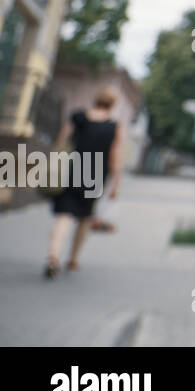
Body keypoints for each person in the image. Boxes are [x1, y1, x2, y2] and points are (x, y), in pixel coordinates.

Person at [45, 87, 123, 278]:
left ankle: (54, 256)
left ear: (96, 100)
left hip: (71, 170)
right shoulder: (114, 126)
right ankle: (72, 259)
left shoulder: (78, 117)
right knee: (84, 218)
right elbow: (115, 157)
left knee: (64, 215)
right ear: (112, 105)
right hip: (95, 174)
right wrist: (116, 184)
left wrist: (51, 165)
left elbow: (61, 142)